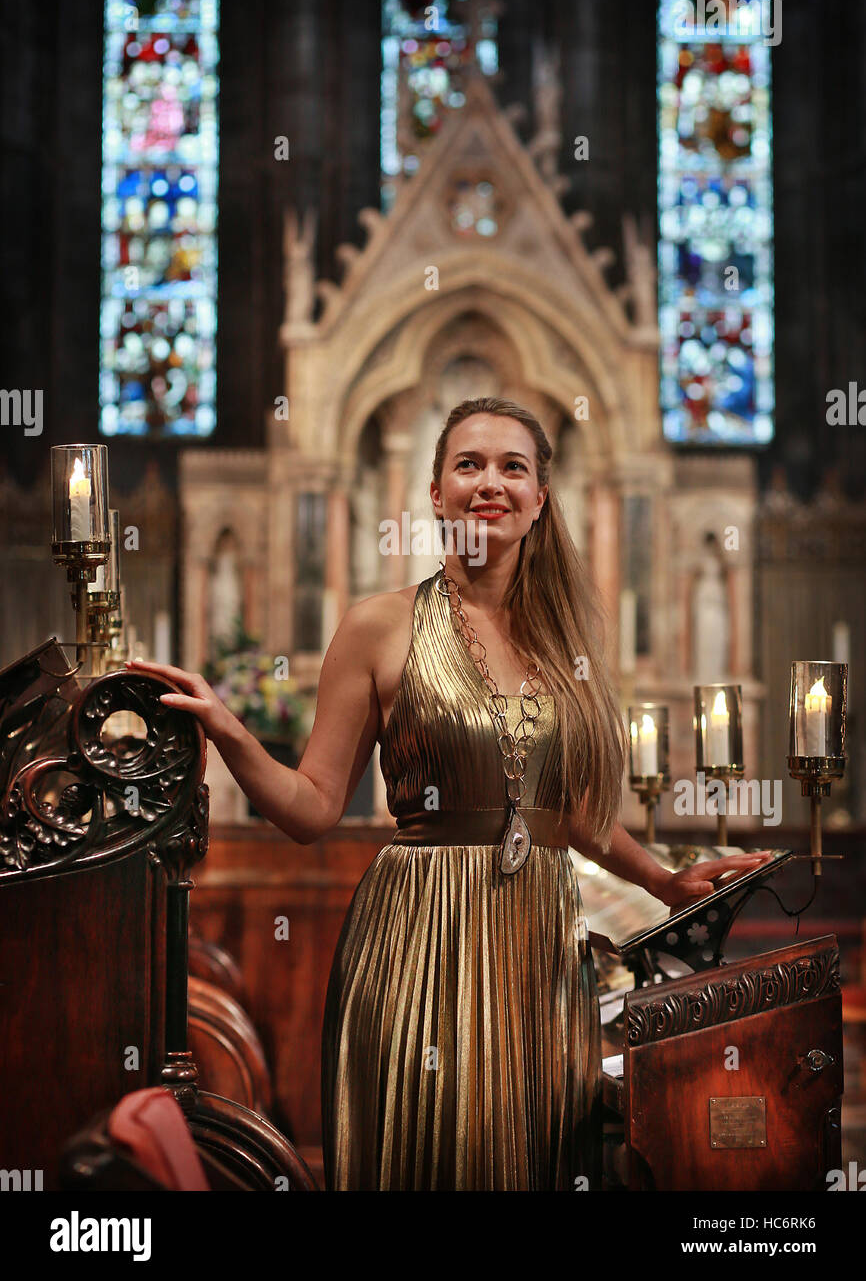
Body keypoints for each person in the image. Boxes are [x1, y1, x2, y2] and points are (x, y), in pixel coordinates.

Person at [127, 396, 769, 1190]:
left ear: (539, 502)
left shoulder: (565, 643)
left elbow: (570, 814)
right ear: (436, 493)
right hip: (416, 940)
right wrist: (226, 727)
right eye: (468, 465)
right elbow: (311, 808)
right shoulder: (379, 626)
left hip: (538, 944)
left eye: (513, 468)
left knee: (533, 1156)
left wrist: (665, 882)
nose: (489, 483)